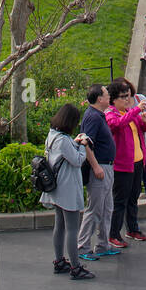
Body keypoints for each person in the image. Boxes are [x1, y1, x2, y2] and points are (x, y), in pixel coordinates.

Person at [41, 103, 98, 280]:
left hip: (57, 187)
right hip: (67, 188)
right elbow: (78, 160)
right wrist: (83, 144)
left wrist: (74, 142)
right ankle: (76, 267)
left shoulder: (52, 136)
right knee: (73, 228)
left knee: (59, 225)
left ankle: (59, 261)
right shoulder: (64, 140)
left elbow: (61, 155)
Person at [104, 80, 146, 247]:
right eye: (123, 96)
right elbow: (118, 124)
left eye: (128, 96)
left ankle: (132, 229)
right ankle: (113, 234)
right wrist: (135, 110)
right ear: (113, 99)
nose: (127, 99)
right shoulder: (111, 114)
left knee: (133, 198)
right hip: (122, 165)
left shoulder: (128, 112)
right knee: (120, 201)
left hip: (137, 161)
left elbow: (144, 128)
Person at [76, 85, 121, 262]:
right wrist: (96, 166)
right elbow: (85, 143)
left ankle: (103, 244)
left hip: (107, 167)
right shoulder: (93, 118)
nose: (109, 96)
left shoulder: (98, 115)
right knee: (94, 208)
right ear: (99, 99)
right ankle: (83, 246)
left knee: (107, 207)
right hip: (100, 168)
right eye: (106, 94)